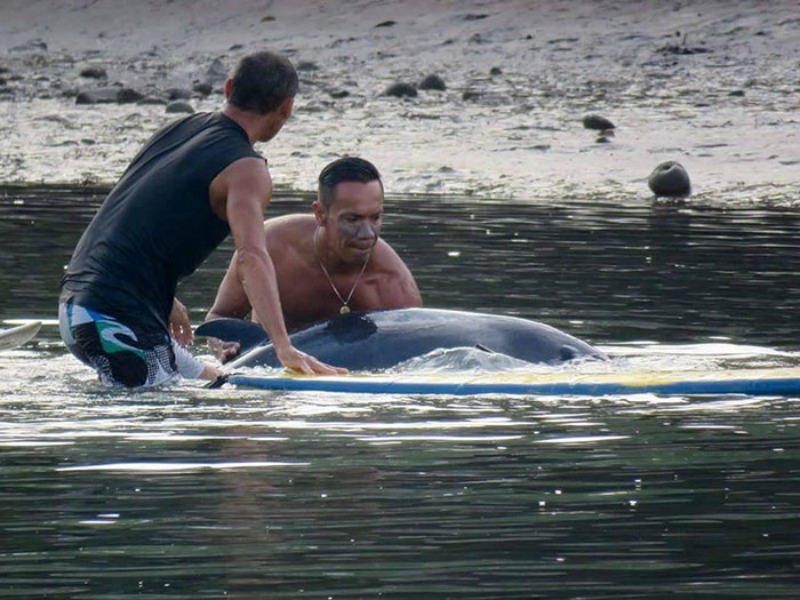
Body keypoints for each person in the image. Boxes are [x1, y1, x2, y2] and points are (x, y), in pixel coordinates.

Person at [59, 50, 343, 388]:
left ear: (228, 88)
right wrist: (283, 346)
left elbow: (124, 220)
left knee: (218, 381)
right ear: (287, 107)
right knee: (158, 413)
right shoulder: (247, 170)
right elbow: (251, 256)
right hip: (114, 319)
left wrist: (165, 300)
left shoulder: (179, 128)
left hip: (77, 308)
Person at [206, 156, 422, 362]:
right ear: (320, 214)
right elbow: (220, 317)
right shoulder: (269, 249)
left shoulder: (395, 286)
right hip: (271, 370)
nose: (367, 233)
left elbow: (413, 359)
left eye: (375, 217)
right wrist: (223, 344)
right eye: (352, 219)